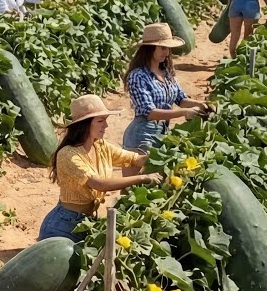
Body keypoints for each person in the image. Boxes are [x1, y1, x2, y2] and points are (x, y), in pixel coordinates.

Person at [40, 94, 162, 242]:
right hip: (62, 225)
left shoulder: (100, 145)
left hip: (87, 222)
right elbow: (99, 184)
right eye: (100, 120)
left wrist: (167, 155)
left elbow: (134, 159)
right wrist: (142, 178)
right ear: (84, 124)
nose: (106, 125)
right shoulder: (68, 155)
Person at [121, 23, 208, 169]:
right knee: (133, 187)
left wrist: (200, 105)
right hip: (141, 136)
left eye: (168, 48)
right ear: (150, 48)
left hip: (162, 134)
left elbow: (181, 99)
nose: (166, 52)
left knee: (152, 184)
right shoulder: (137, 76)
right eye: (162, 48)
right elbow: (149, 113)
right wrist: (185, 113)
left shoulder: (166, 73)